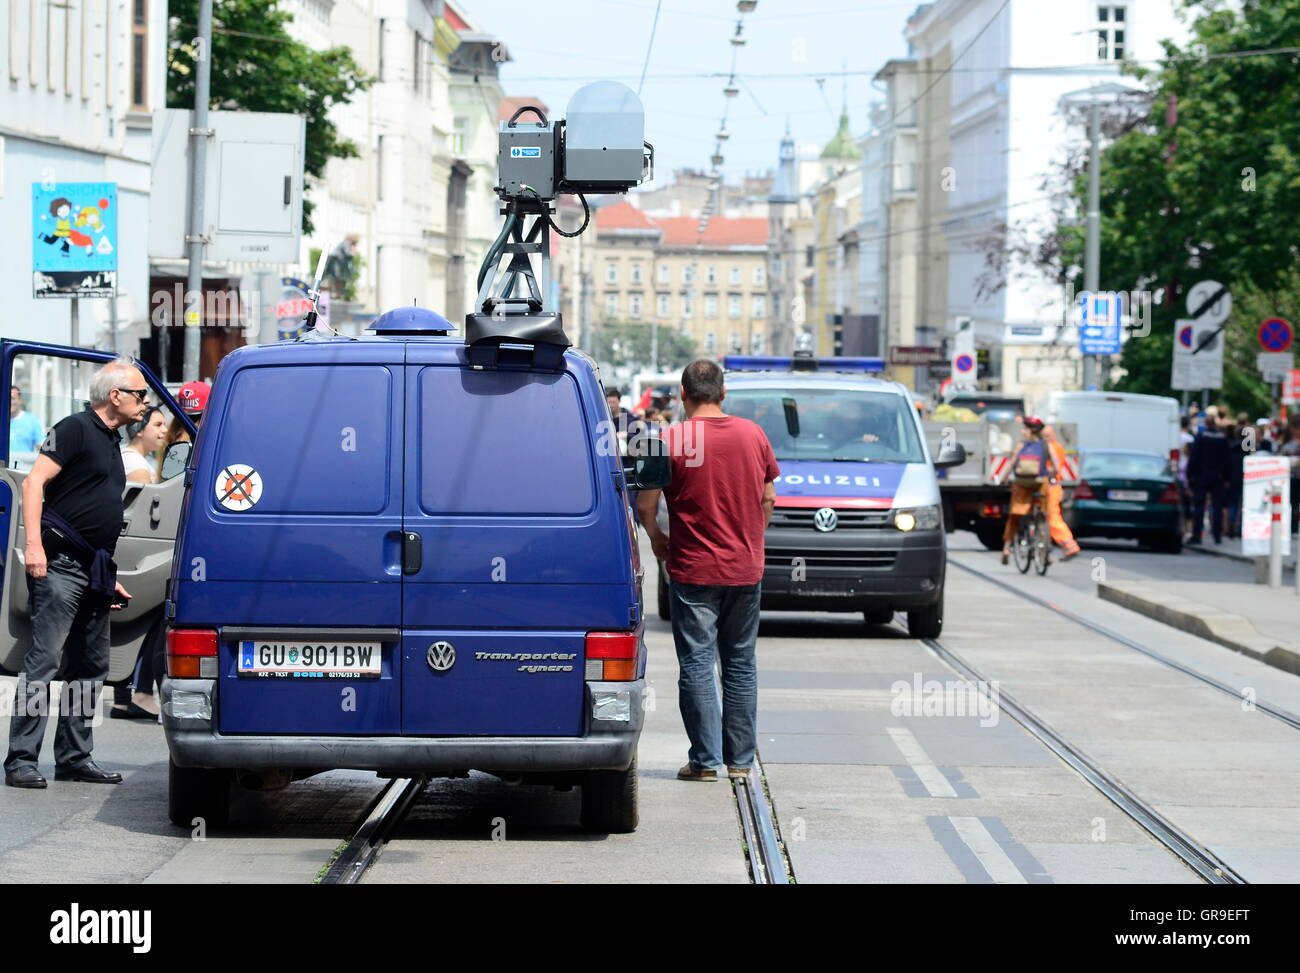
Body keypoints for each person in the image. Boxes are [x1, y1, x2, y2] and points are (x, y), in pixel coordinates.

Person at [636, 359, 778, 783]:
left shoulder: (669, 439)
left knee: (697, 663)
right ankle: (740, 762)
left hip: (693, 570)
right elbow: (769, 497)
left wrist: (657, 540)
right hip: (744, 568)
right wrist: (753, 535)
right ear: (723, 393)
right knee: (740, 664)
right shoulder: (753, 435)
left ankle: (704, 762)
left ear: (683, 395)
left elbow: (645, 505)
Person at [4, 357, 143, 788]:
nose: (145, 402)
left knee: (91, 668)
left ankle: (74, 756)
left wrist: (107, 572)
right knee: (44, 663)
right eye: (139, 394)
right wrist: (33, 546)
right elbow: (32, 484)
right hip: (60, 565)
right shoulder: (75, 428)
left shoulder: (110, 440)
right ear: (115, 395)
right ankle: (21, 760)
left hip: (93, 570)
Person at [1001, 416, 1074, 563]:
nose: (1022, 431)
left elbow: (1011, 463)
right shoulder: (1047, 445)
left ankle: (1007, 548)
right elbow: (1056, 464)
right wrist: (1051, 475)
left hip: (1022, 484)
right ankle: (1043, 551)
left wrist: (1003, 478)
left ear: (1030, 431)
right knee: (1044, 515)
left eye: (1024, 429)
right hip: (1042, 484)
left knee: (1015, 515)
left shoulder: (1021, 445)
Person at [1186, 415, 1231, 545]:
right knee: (1217, 507)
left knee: (1199, 506)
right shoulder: (1222, 437)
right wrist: (1227, 476)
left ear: (1206, 423)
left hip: (1201, 475)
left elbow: (1194, 456)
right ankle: (1217, 535)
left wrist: (1190, 474)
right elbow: (1227, 459)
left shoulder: (1201, 436)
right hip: (1218, 476)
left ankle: (1197, 535)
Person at [119, 405, 167, 484]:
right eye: (158, 425)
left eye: (164, 425)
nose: (165, 430)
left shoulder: (135, 459)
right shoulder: (136, 465)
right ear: (139, 430)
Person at [9, 386, 44, 457]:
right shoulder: (2, 421)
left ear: (20, 400)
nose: (10, 402)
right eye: (7, 399)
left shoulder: (32, 421)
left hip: (23, 466)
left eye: (12, 399)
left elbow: (42, 446)